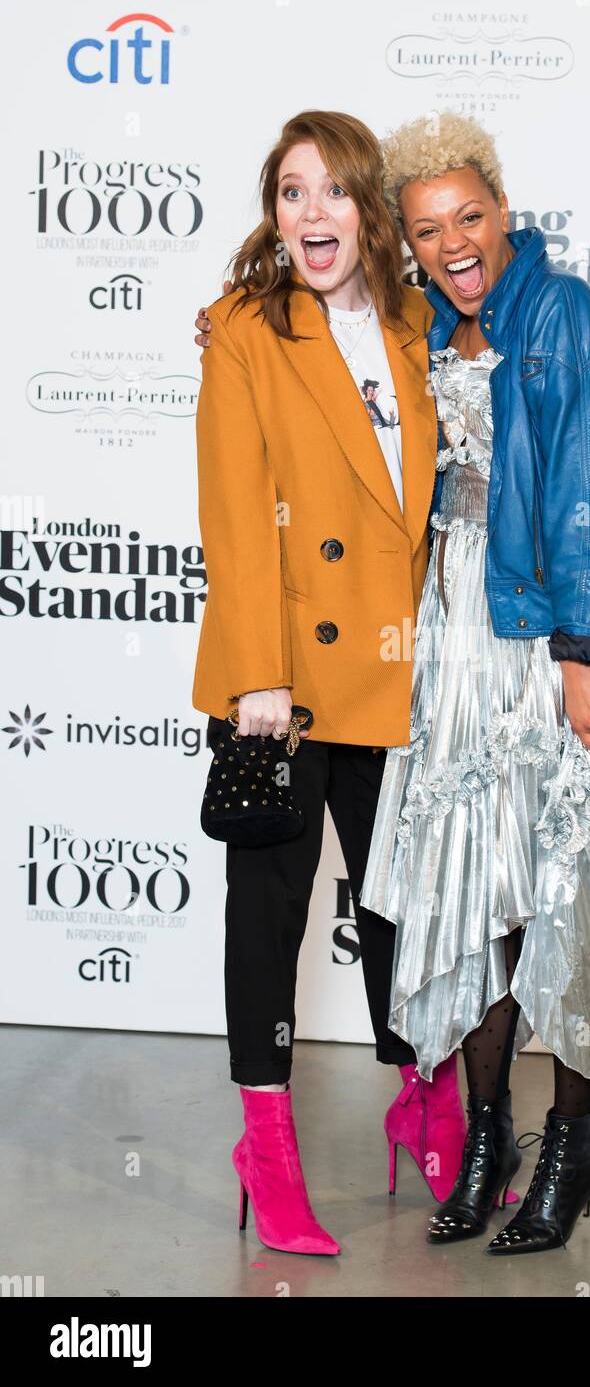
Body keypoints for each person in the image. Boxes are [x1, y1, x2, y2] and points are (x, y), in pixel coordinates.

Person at [359, 111, 590, 1255]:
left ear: (502, 210)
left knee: (566, 896)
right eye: (426, 229)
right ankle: (488, 1136)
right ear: (406, 240)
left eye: (468, 217)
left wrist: (583, 656)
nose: (451, 243)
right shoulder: (424, 322)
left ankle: (572, 1141)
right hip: (454, 631)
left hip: (545, 630)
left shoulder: (564, 315)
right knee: (481, 893)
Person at [191, 109, 470, 1257]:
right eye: (289, 192)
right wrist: (259, 671)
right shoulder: (246, 330)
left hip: (398, 671)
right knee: (271, 918)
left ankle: (425, 1103)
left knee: (402, 907)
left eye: (333, 192)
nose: (312, 215)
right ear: (274, 213)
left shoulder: (416, 326)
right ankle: (267, 1138)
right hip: (289, 681)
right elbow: (238, 510)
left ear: (370, 207)